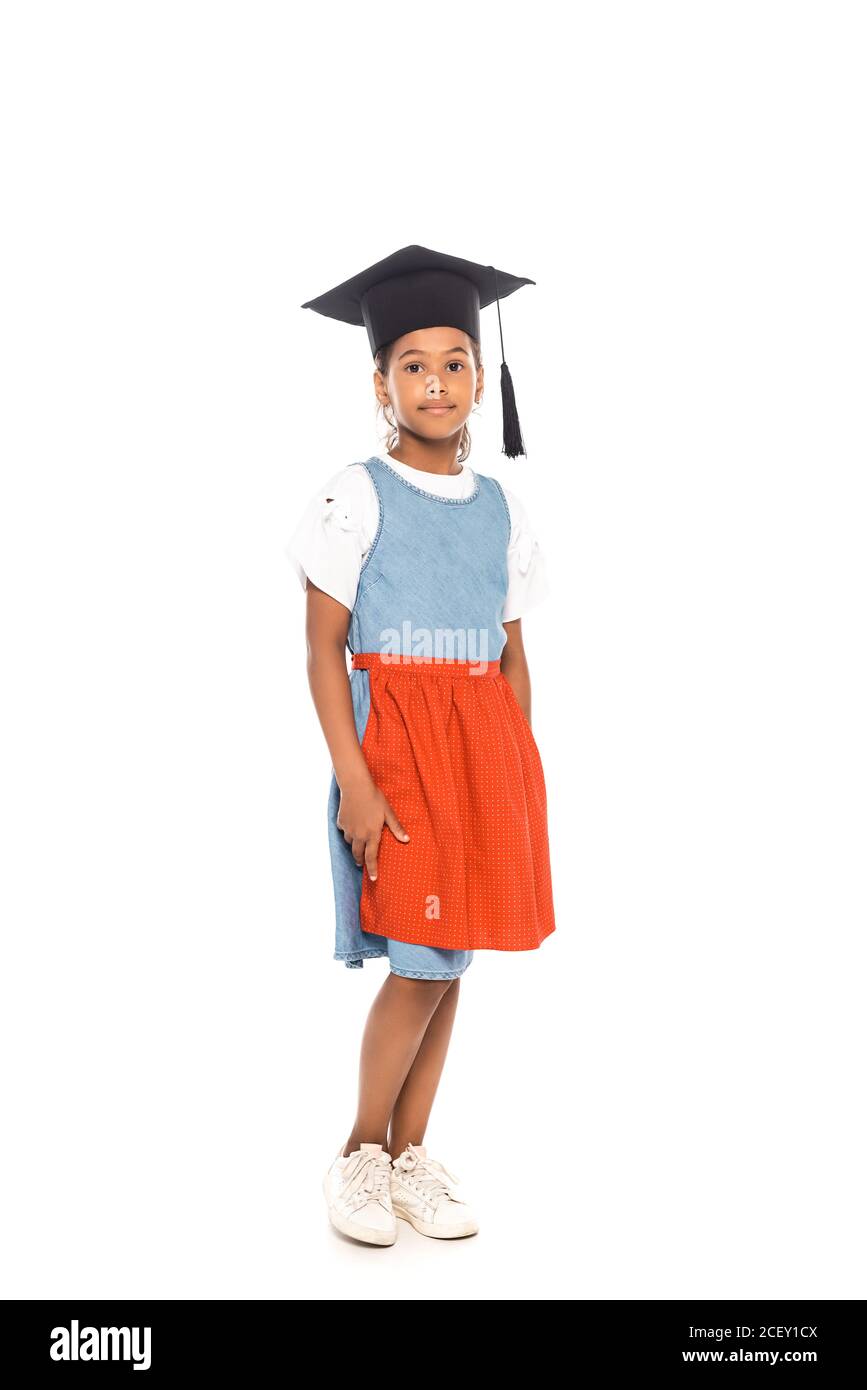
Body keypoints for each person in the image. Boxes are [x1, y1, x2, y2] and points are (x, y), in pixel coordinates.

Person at [286, 245, 557, 1245]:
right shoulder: (356, 495)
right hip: (394, 758)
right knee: (419, 956)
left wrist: (511, 769)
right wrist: (354, 780)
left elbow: (511, 652)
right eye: (413, 364)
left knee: (451, 962)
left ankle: (411, 1158)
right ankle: (360, 1150)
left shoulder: (501, 510)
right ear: (380, 382)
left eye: (455, 361)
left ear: (480, 378)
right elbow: (323, 650)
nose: (436, 382)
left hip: (483, 762)